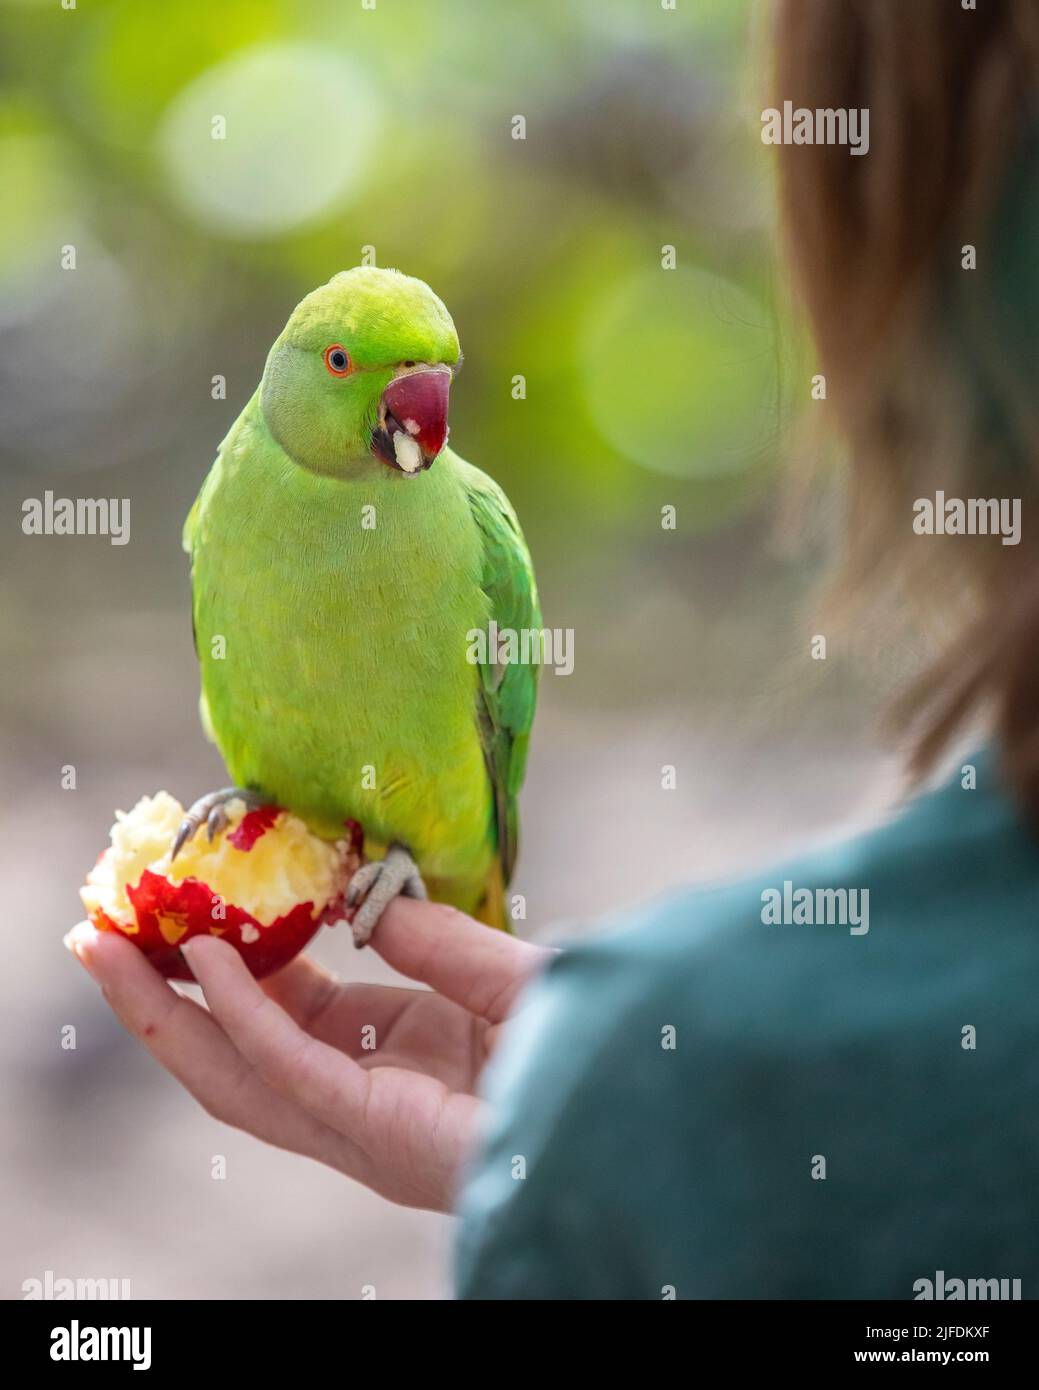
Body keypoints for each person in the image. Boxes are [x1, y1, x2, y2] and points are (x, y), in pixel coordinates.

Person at [68, 0, 1039, 1297]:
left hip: (451, 846)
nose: (402, 405)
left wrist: (605, 1139)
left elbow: (493, 753)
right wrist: (591, 1134)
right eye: (355, 365)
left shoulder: (472, 530)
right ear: (294, 368)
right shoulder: (219, 505)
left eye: (424, 378)